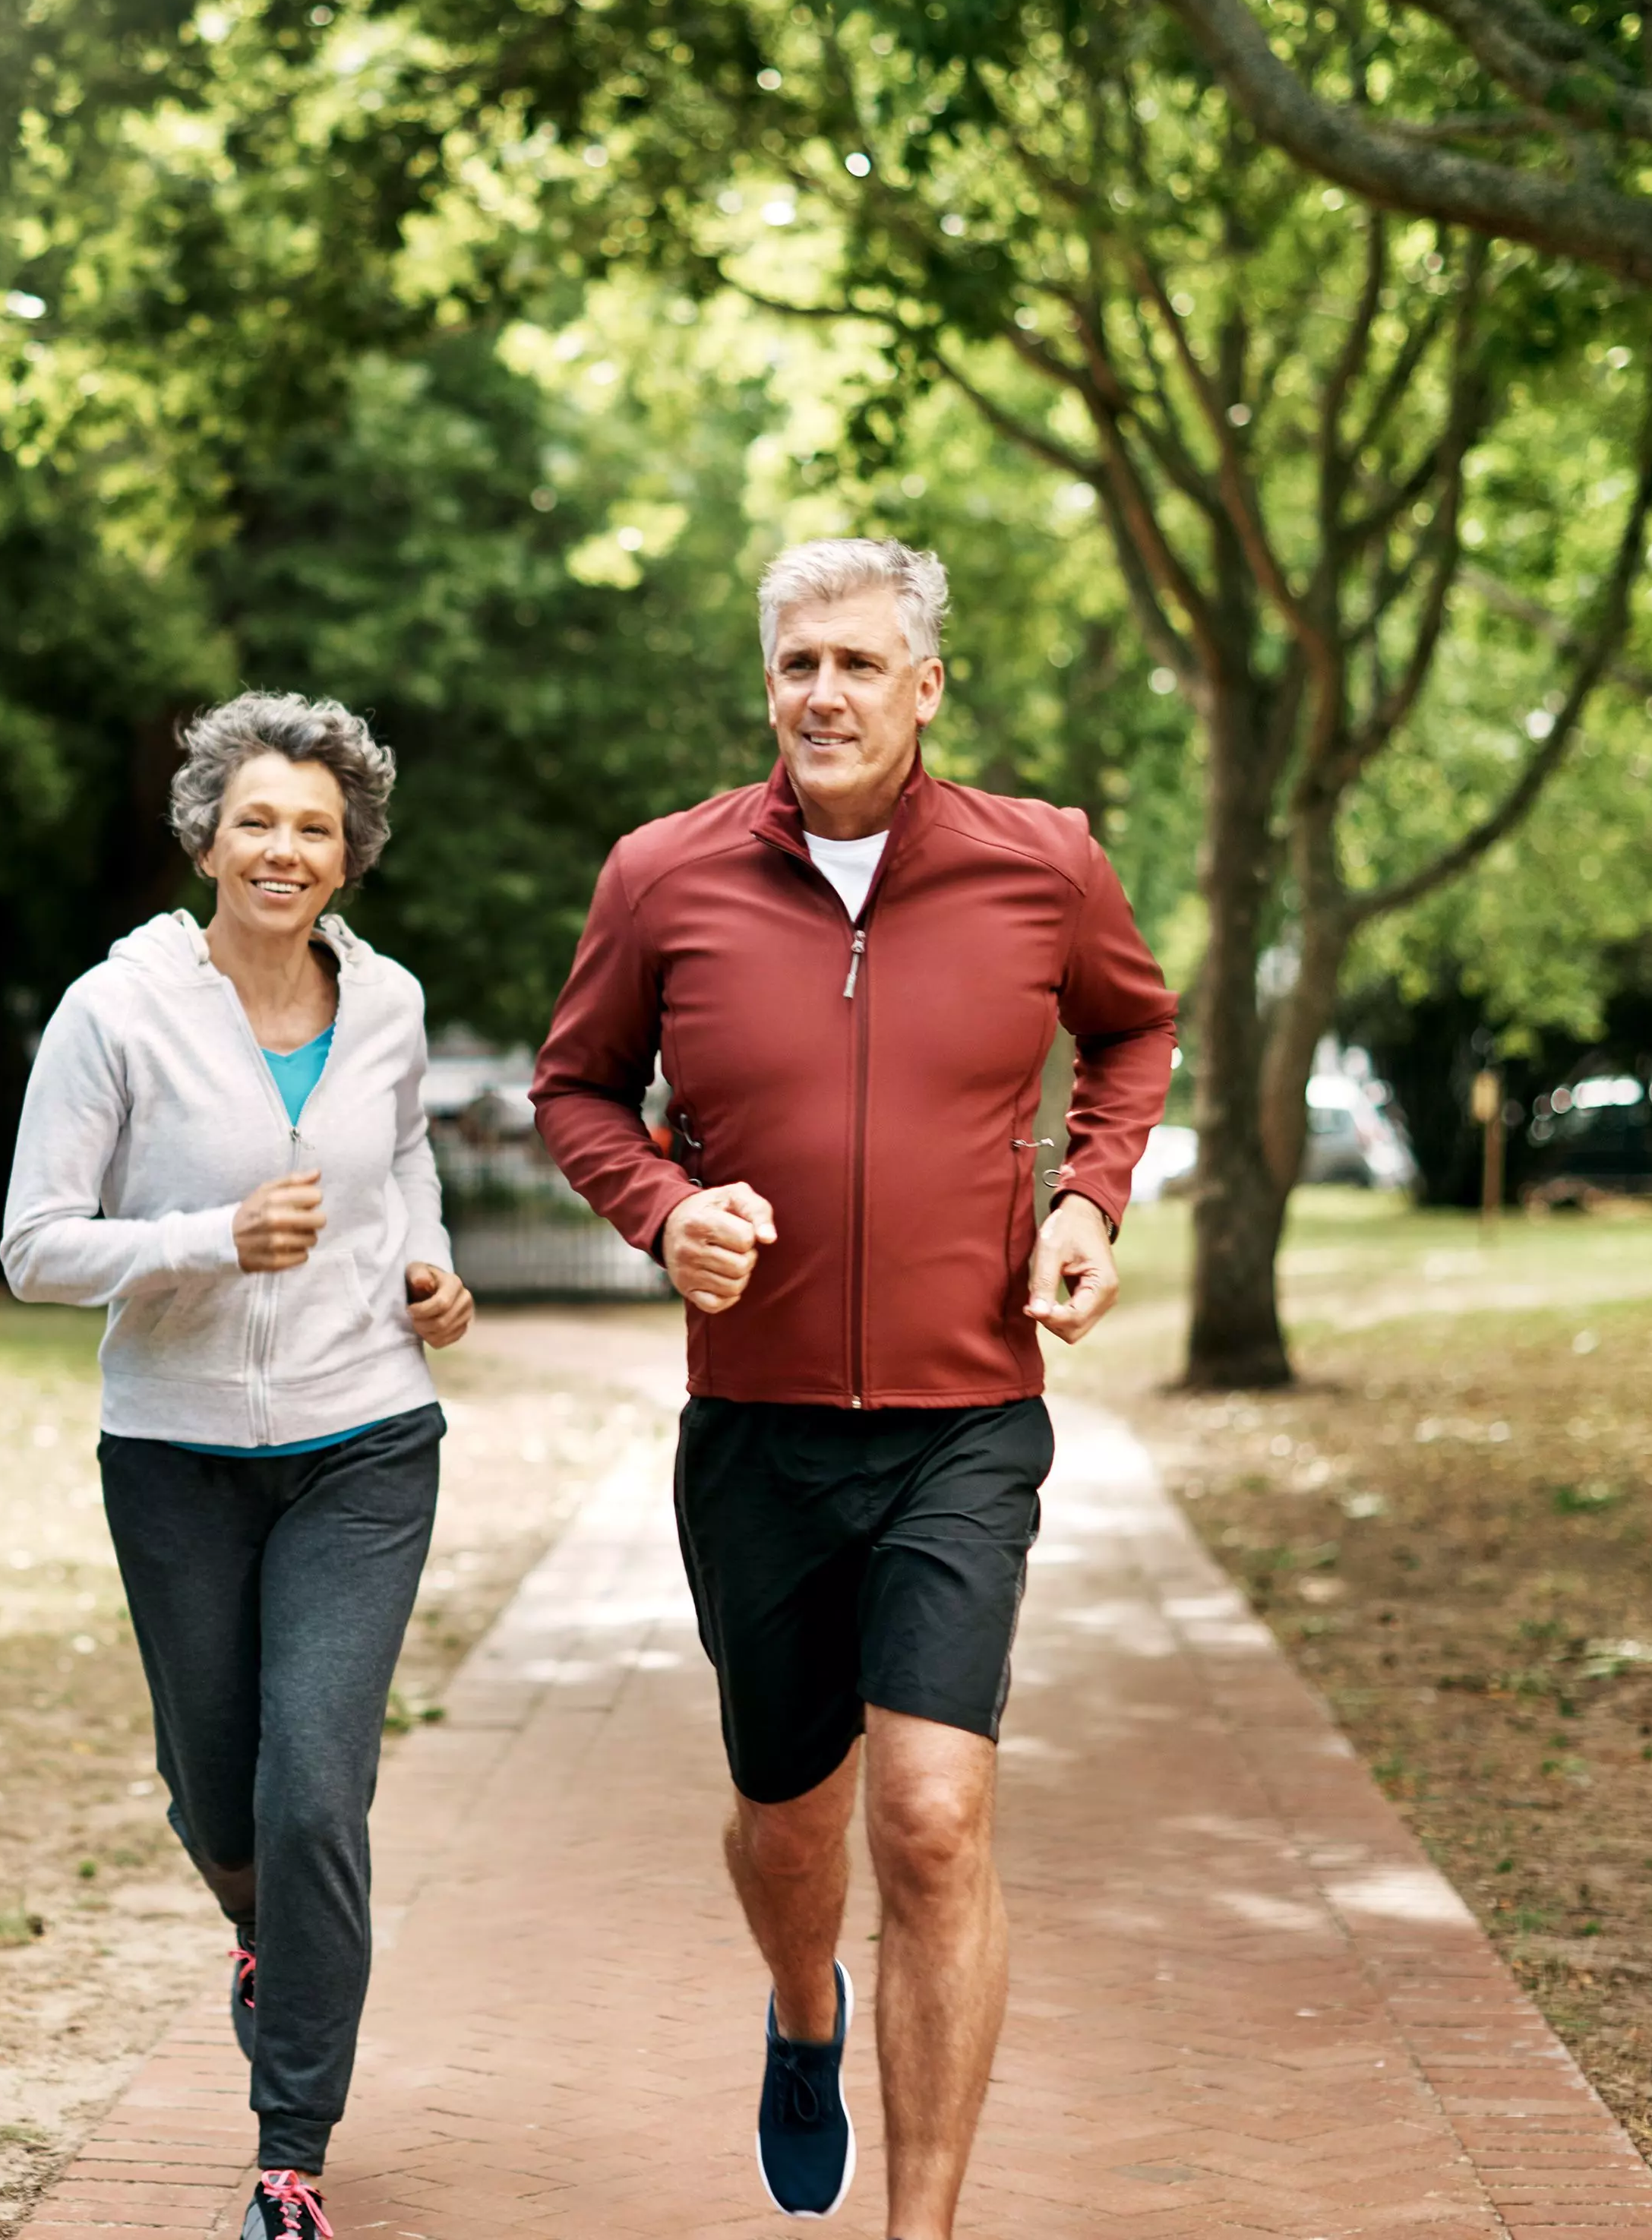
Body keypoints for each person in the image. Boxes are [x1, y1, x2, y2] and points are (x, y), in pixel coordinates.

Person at [530, 538, 1175, 2229]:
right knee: (786, 1821)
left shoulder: (1044, 864)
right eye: (797, 661)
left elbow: (1132, 1031)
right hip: (753, 1430)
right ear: (768, 680)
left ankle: (922, 2221)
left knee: (934, 1814)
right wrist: (664, 1212)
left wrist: (1088, 1197)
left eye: (859, 663)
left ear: (925, 685)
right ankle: (802, 2005)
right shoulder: (662, 875)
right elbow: (578, 1088)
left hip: (965, 1417)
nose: (825, 691)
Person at [2, 690, 478, 2240]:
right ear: (207, 832)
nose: (284, 848)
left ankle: (291, 2148)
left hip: (366, 1440)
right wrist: (211, 1237)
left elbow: (398, 1156)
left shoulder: (388, 1003)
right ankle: (263, 1933)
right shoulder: (114, 1010)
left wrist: (429, 1265)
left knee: (314, 1788)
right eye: (258, 819)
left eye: (316, 828)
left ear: (351, 859)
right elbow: (32, 1247)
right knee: (220, 1795)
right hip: (176, 1455)